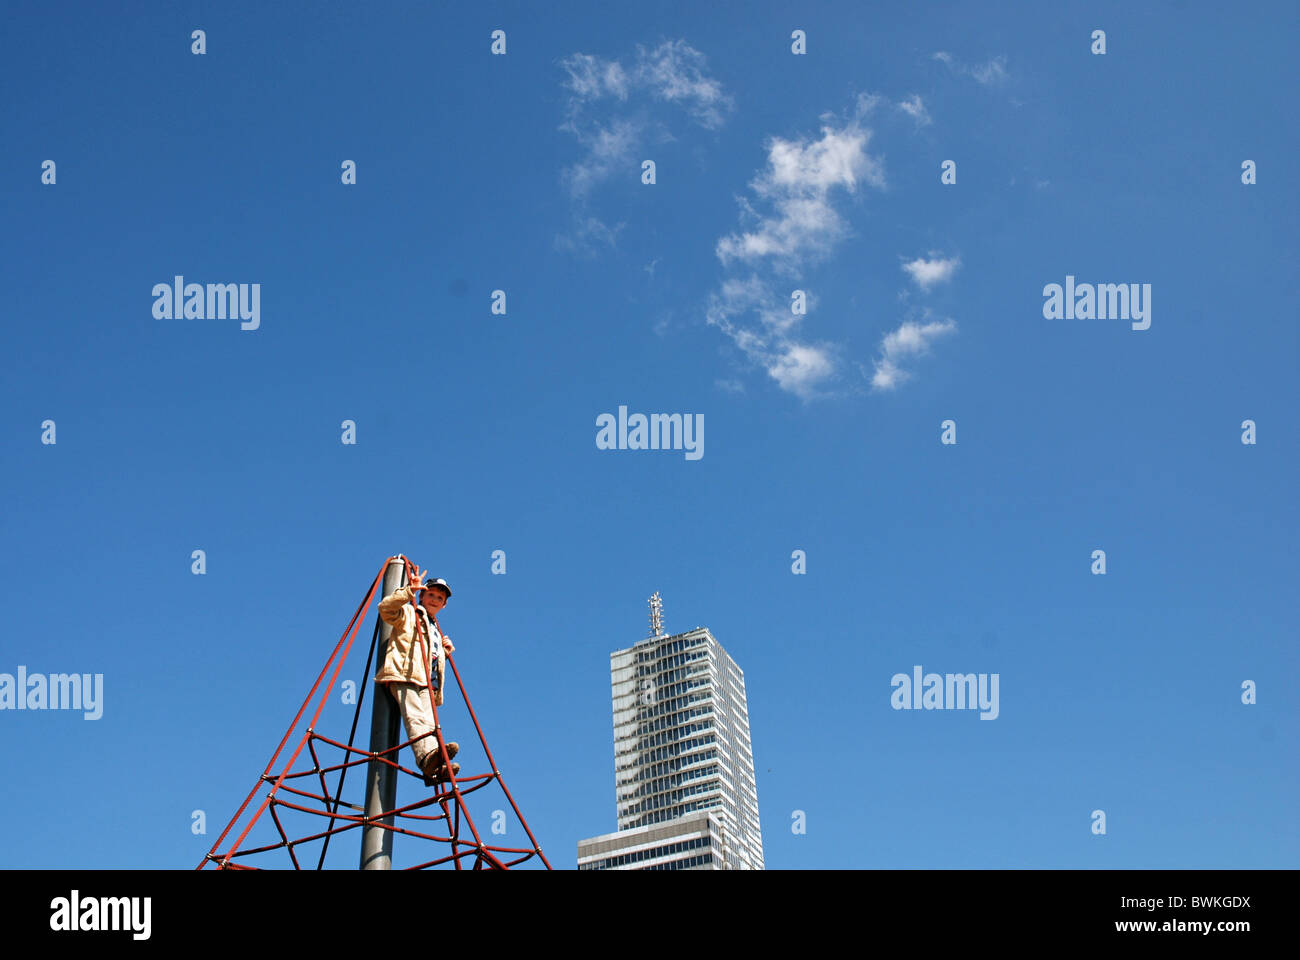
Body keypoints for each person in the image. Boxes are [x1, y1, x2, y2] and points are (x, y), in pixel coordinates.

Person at [376, 564, 460, 786]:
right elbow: (386, 609)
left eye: (439, 598)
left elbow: (430, 655)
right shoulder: (410, 613)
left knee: (431, 726)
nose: (434, 599)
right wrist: (408, 591)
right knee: (415, 718)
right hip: (406, 675)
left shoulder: (436, 627)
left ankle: (434, 769)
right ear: (422, 596)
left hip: (427, 683)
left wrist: (444, 651)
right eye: (430, 594)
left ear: (444, 604)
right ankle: (426, 759)